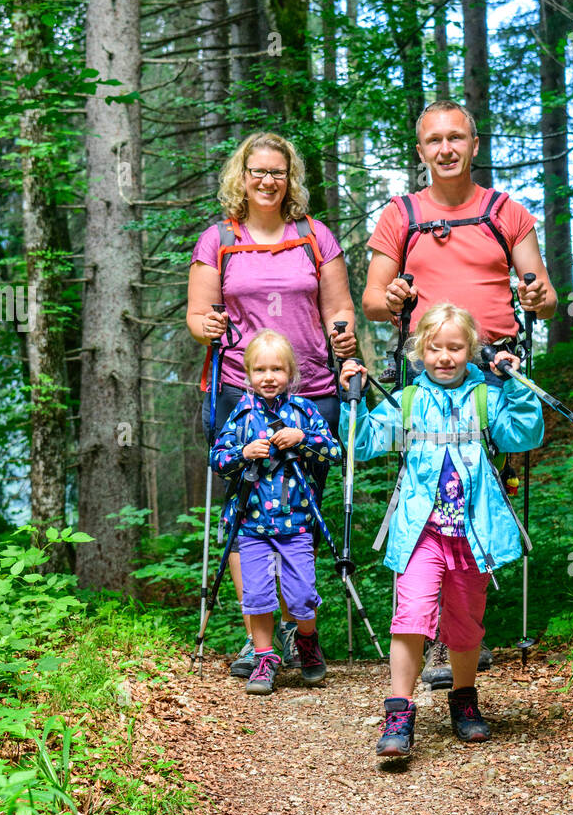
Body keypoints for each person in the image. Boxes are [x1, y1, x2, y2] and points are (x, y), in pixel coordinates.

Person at [361, 98, 558, 688]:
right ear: (420, 152)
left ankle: (463, 629)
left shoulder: (506, 212)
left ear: (474, 144)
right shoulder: (399, 215)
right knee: (432, 484)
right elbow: (372, 300)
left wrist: (539, 297)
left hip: (494, 370)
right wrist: (391, 299)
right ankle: (441, 637)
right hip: (430, 369)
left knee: (482, 490)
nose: (445, 149)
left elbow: (540, 290)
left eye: (456, 138)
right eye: (433, 141)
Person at [339, 303, 544, 762]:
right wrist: (351, 396)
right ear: (419, 351)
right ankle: (399, 712)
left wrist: (515, 384)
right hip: (421, 532)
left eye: (455, 347)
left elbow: (523, 436)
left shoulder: (485, 397)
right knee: (410, 615)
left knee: (465, 624)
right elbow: (364, 441)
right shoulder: (408, 400)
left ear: (471, 350)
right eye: (435, 348)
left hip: (474, 531)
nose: (445, 357)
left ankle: (464, 700)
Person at [187, 131, 357, 676]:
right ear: (241, 176)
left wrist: (347, 349)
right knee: (244, 513)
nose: (267, 180)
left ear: (291, 179)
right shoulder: (218, 239)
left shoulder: (314, 236)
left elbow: (341, 311)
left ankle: (296, 626)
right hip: (238, 385)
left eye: (277, 172)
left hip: (310, 389)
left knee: (299, 510)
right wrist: (205, 325)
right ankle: (257, 638)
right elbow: (197, 317)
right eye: (257, 171)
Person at [210, 330, 341, 695]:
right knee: (257, 595)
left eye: (277, 369)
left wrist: (304, 439)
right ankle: (265, 657)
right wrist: (243, 453)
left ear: (291, 373)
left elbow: (334, 451)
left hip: (296, 523)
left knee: (300, 595)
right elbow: (217, 459)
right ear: (248, 374)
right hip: (251, 524)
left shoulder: (303, 411)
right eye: (260, 370)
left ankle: (307, 639)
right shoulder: (241, 414)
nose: (269, 377)